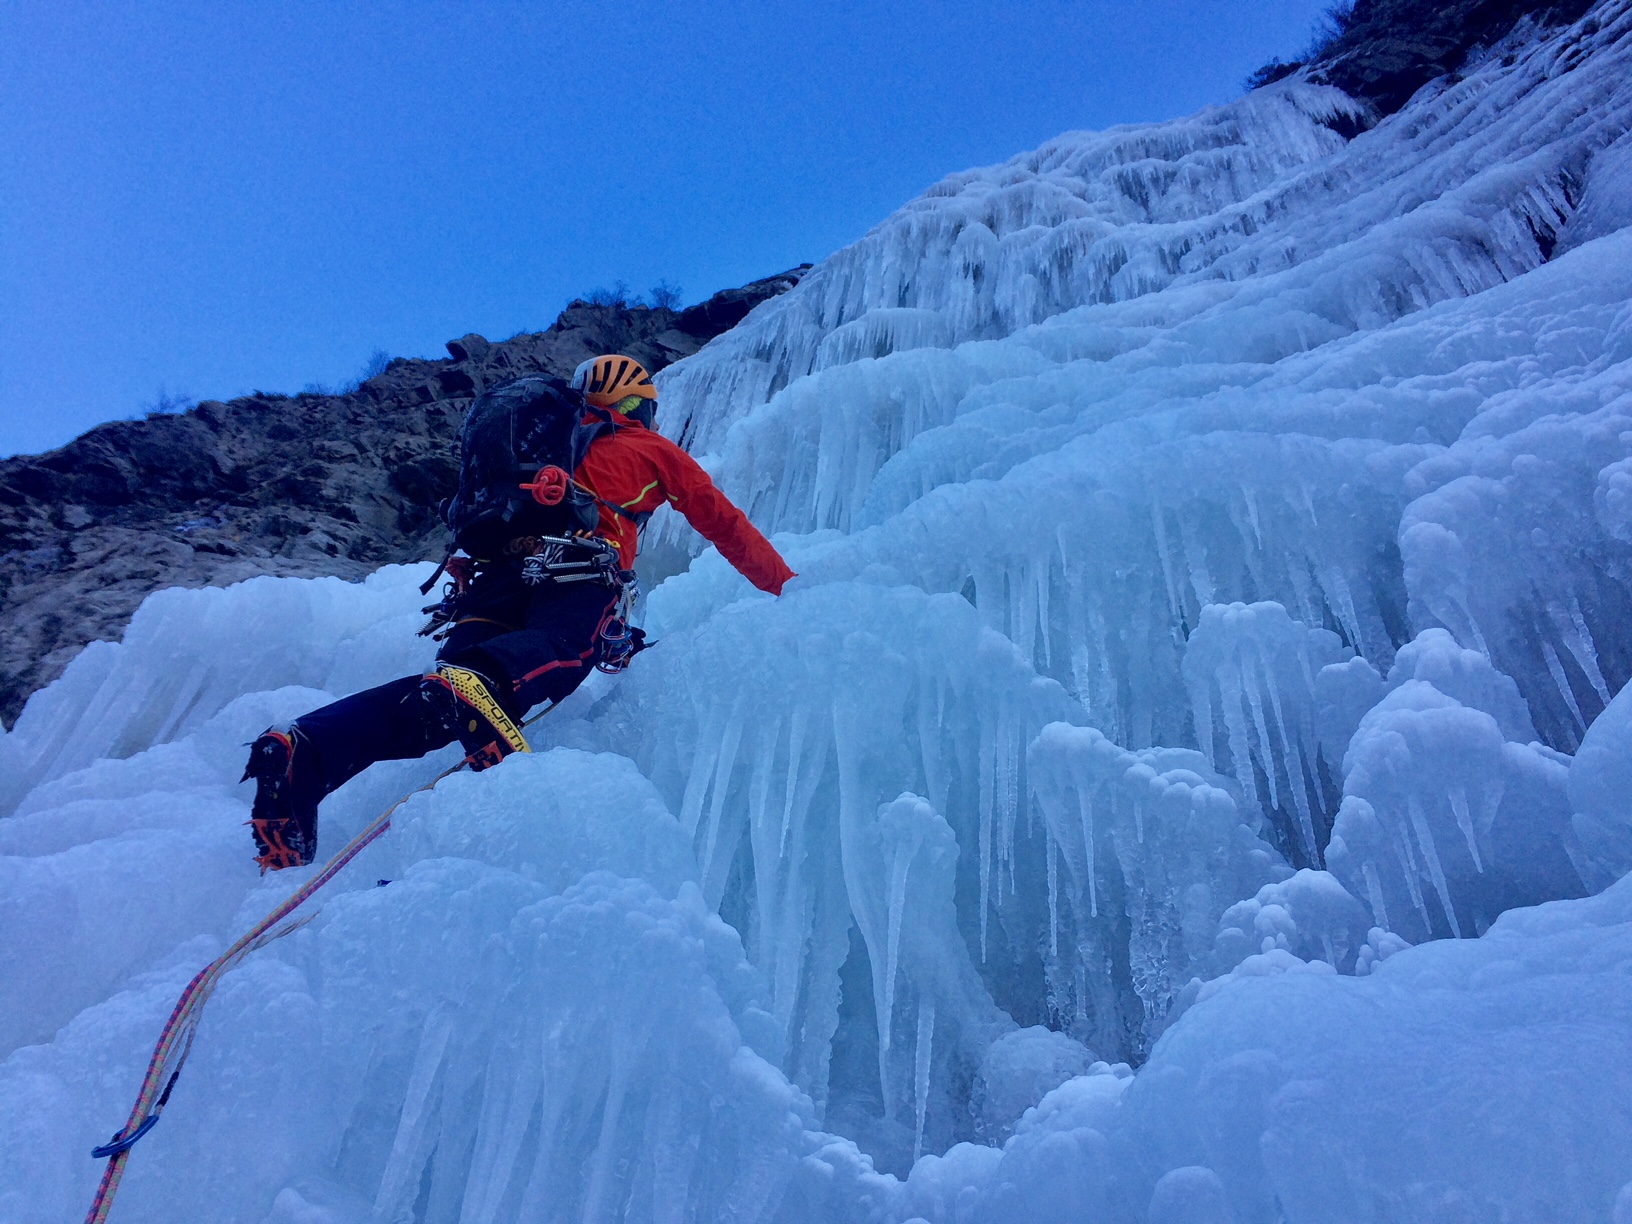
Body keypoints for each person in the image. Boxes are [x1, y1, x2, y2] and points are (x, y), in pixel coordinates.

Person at [243, 354, 795, 872]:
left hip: (497, 577)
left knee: (433, 703)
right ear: (635, 405)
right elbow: (725, 523)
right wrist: (787, 587)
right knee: (560, 650)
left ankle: (306, 750)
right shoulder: (649, 449)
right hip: (576, 569)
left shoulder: (544, 456)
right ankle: (479, 685)